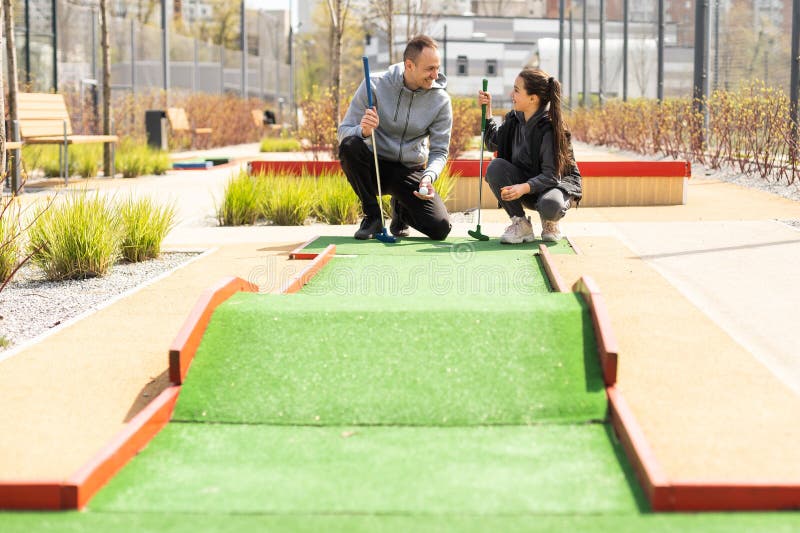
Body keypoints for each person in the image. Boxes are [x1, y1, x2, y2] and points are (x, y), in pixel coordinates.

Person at [338, 35, 453, 240]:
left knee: (440, 228)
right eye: (430, 69)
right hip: (375, 167)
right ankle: (373, 216)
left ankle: (401, 210)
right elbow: (343, 132)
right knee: (350, 145)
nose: (435, 75)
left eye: (437, 68)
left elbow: (440, 151)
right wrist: (363, 131)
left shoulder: (441, 100)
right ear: (409, 65)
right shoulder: (374, 84)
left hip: (409, 171)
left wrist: (428, 177)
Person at [477, 68, 582, 243]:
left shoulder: (550, 128)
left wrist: (522, 188)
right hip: (526, 186)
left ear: (533, 98)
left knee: (550, 205)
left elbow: (551, 176)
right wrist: (487, 111)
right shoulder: (514, 119)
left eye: (517, 90)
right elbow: (492, 143)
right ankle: (521, 224)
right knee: (495, 167)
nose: (512, 94)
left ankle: (550, 221)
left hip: (553, 187)